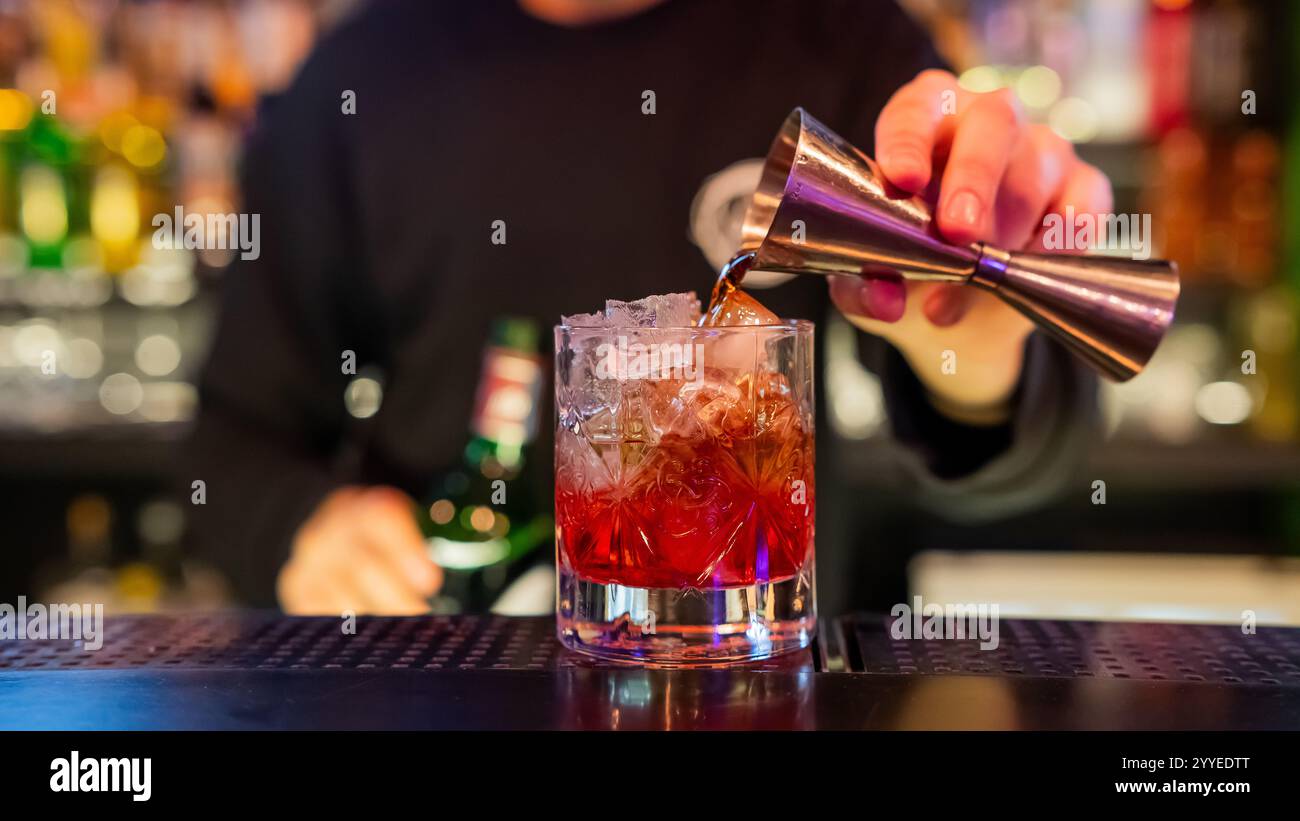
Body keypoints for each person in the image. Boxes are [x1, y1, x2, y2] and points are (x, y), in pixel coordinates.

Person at [190, 0, 1106, 615]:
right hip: (441, 665)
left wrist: (976, 345)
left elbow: (1023, 455)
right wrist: (304, 527)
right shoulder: (359, 73)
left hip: (747, 674)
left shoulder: (844, 42)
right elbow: (233, 441)